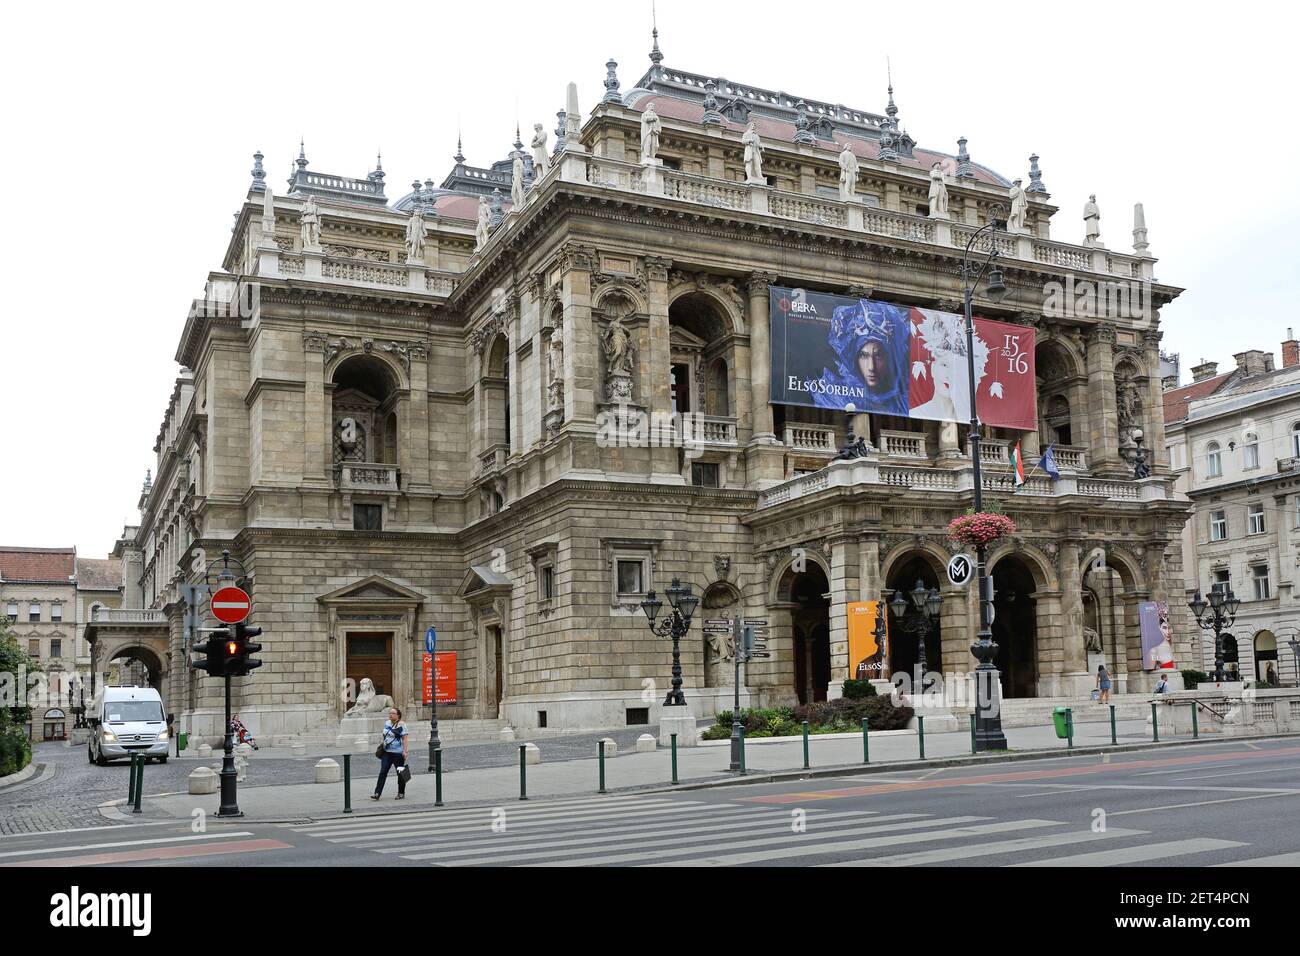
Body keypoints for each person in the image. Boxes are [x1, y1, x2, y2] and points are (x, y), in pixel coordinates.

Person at [810, 299, 910, 414]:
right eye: (864, 355)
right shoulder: (831, 397)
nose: (871, 367)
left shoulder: (906, 400)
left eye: (878, 355)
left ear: (890, 358)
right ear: (854, 359)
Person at [372, 706, 409, 800]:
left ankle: (401, 793)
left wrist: (405, 751)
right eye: (390, 713)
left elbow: (405, 738)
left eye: (393, 713)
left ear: (398, 715)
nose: (390, 715)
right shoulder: (387, 723)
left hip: (398, 753)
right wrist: (384, 743)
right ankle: (377, 793)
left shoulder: (402, 725)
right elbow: (384, 734)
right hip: (386, 752)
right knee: (383, 772)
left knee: (400, 773)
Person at [1146, 602, 1175, 670]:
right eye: (1164, 628)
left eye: (1169, 627)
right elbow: (1151, 673)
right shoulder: (1153, 650)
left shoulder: (1170, 646)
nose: (1168, 632)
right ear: (1159, 628)